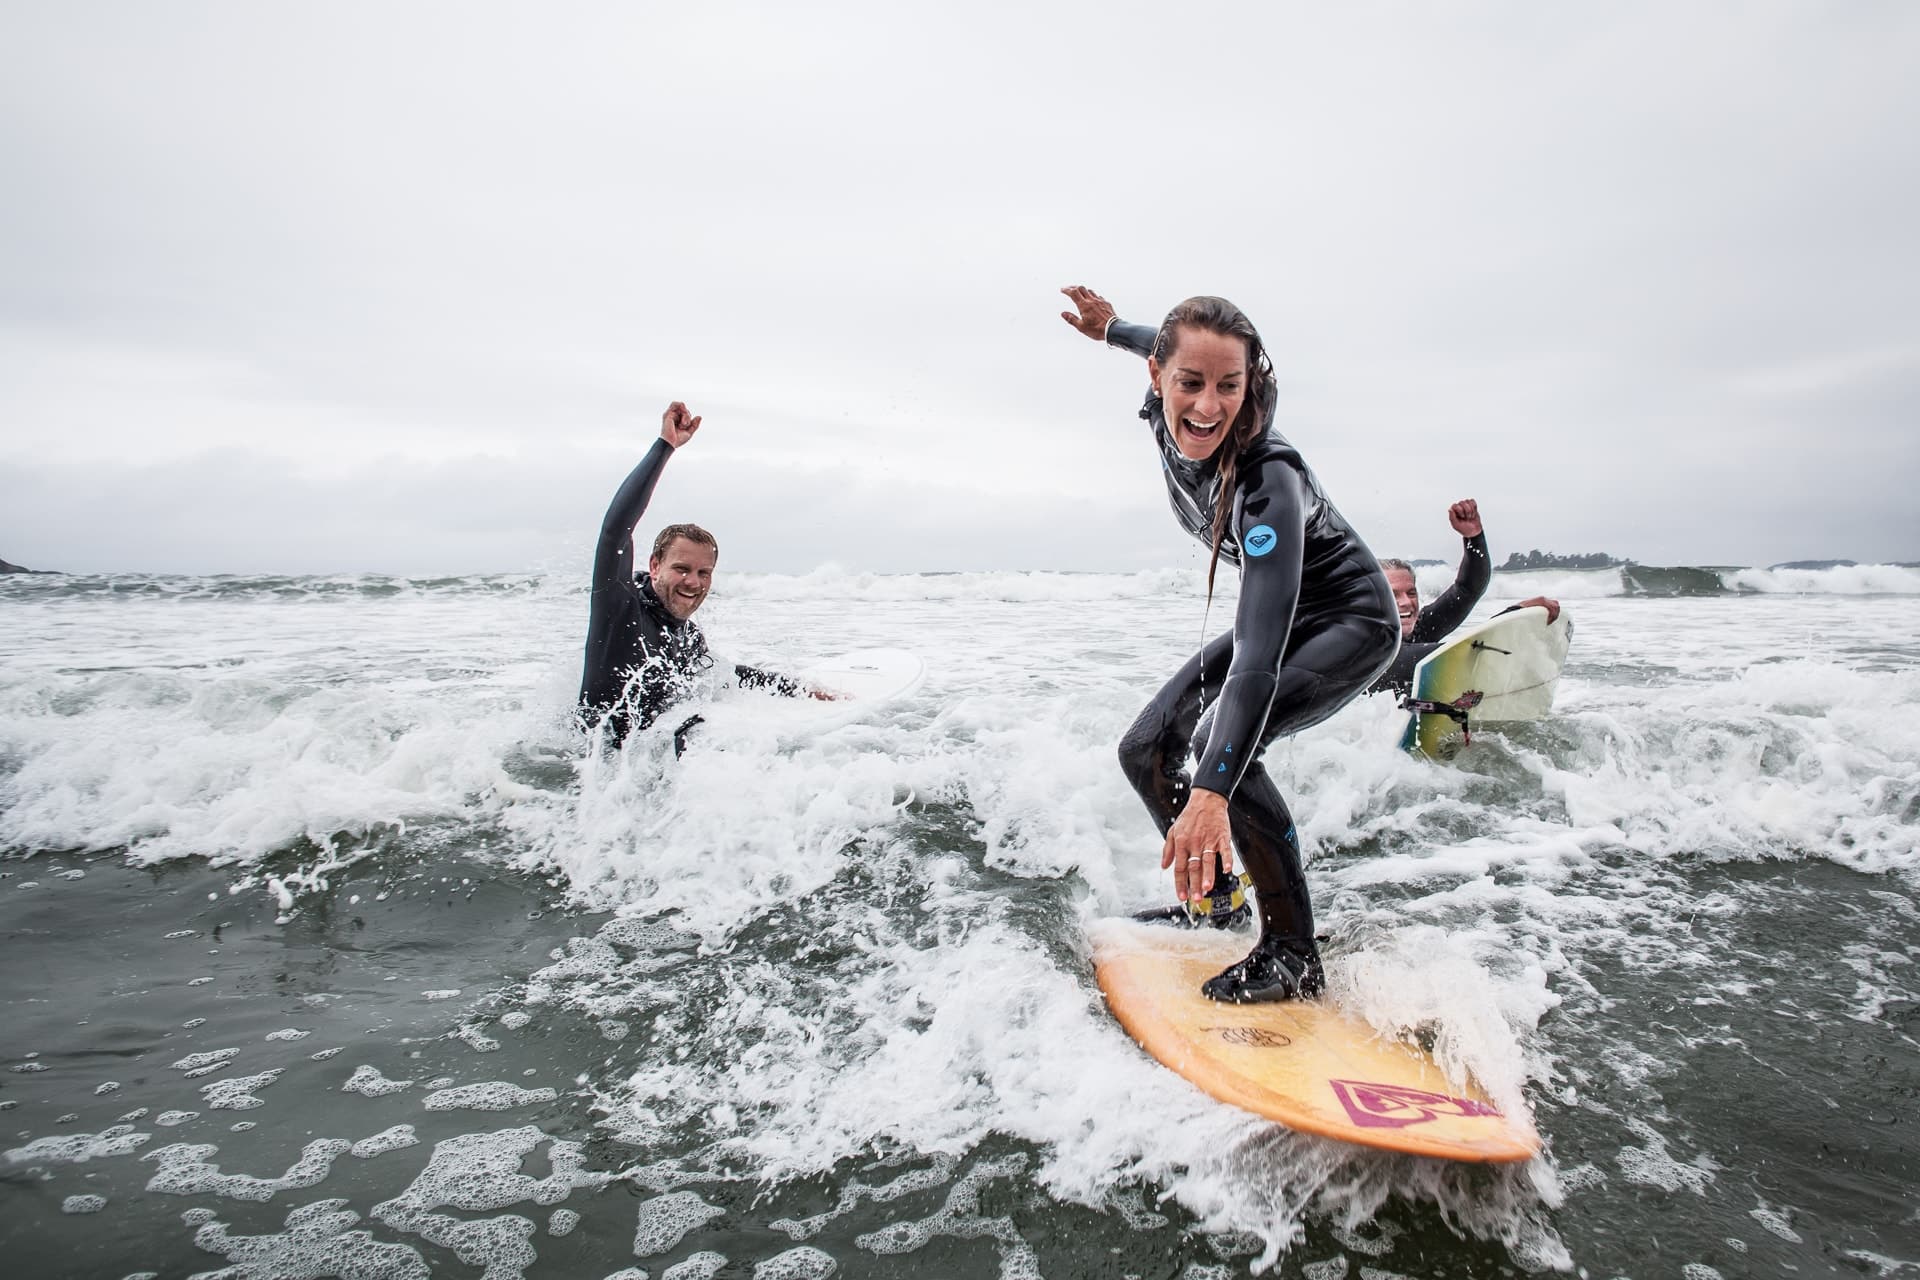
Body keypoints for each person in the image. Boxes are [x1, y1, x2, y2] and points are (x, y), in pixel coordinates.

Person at [1060, 286, 1400, 1003]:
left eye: (1229, 386)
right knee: (1145, 749)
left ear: (1250, 385)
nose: (1208, 407)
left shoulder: (1267, 480)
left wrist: (1211, 794)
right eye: (1191, 383)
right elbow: (1164, 340)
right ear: (1159, 377)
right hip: (1288, 615)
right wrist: (1111, 328)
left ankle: (1292, 953)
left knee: (1227, 750)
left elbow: (1258, 659)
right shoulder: (1165, 395)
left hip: (1348, 619)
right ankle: (1215, 903)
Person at [577, 401, 821, 747]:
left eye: (704, 572)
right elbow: (615, 531)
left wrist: (800, 689)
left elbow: (726, 676)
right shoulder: (621, 610)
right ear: (655, 565)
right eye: (682, 568)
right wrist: (665, 447)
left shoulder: (687, 637)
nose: (694, 582)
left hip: (636, 774)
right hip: (584, 779)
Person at [1369, 500, 1560, 697]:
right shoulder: (1369, 649)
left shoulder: (1416, 631)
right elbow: (1459, 654)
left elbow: (1467, 590)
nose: (1407, 602)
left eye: (1411, 593)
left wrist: (1473, 537)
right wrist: (1515, 612)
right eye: (1393, 595)